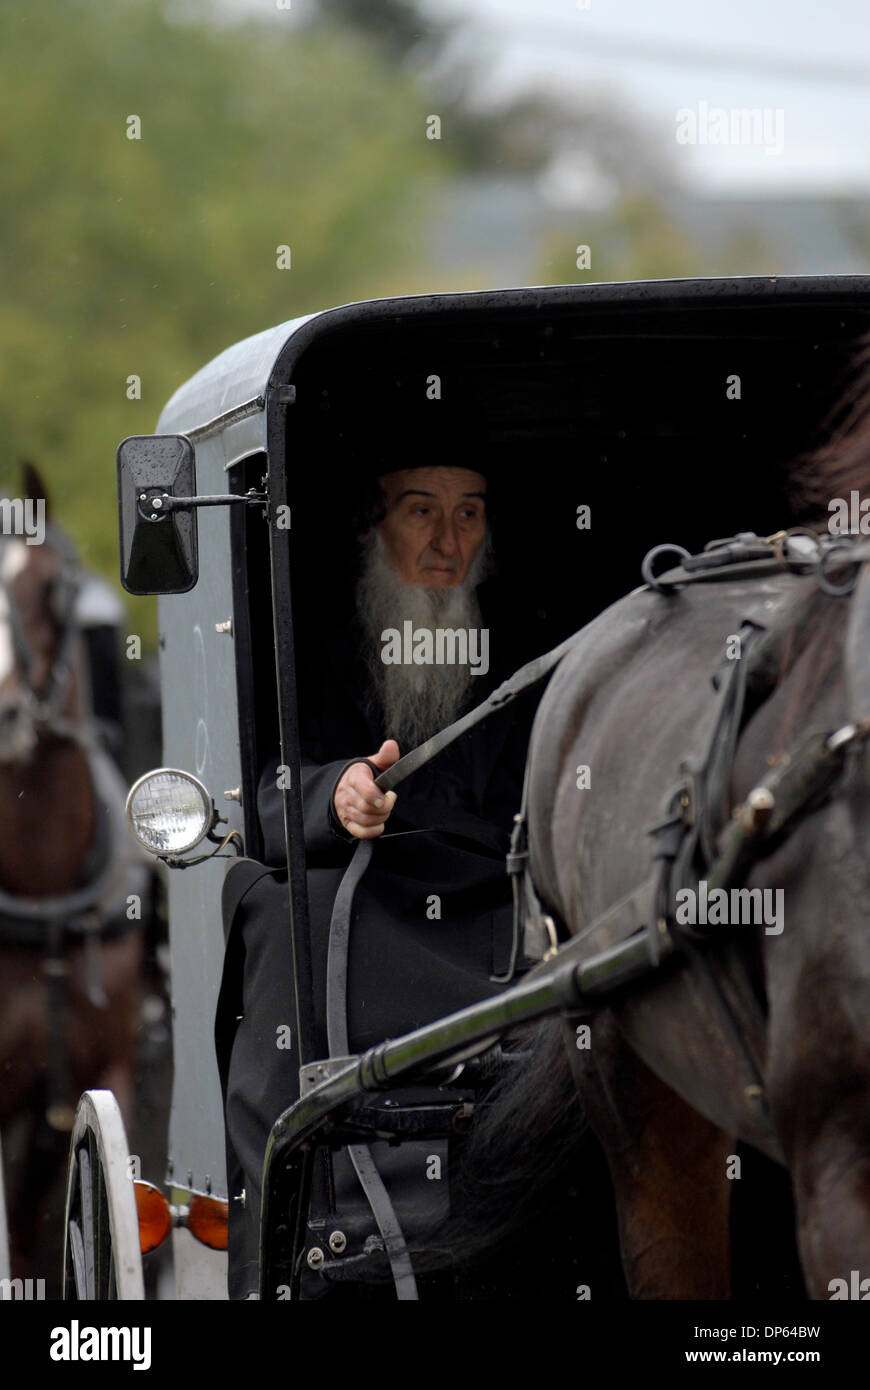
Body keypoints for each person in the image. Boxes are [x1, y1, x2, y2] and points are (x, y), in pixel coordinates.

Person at [216, 459, 541, 1298]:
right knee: (289, 906)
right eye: (421, 511)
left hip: (501, 889)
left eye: (469, 514)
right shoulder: (316, 636)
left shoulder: (528, 643)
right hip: (366, 892)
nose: (447, 540)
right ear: (373, 528)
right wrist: (342, 791)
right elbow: (272, 790)